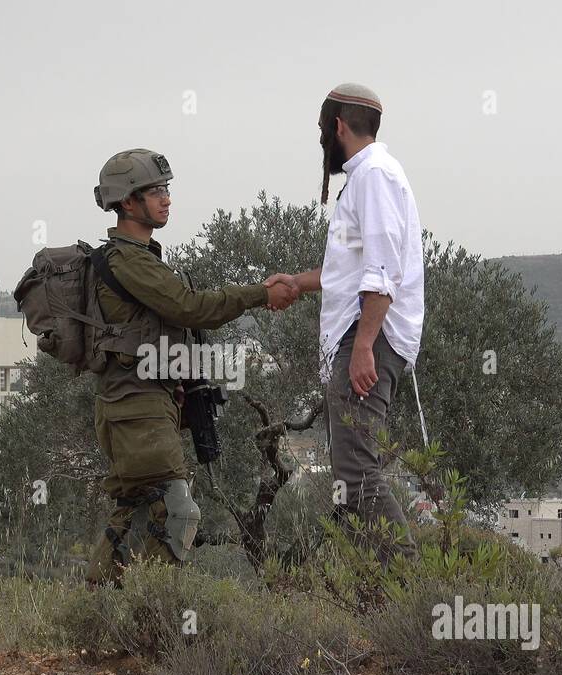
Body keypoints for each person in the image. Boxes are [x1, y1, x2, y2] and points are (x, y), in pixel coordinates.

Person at [85, 149, 298, 585]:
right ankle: (149, 612)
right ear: (128, 201)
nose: (166, 199)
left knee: (135, 511)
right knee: (180, 511)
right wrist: (259, 292)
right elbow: (191, 309)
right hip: (135, 407)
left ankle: (101, 612)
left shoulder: (140, 258)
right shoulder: (128, 261)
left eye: (167, 190)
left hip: (140, 405)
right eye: (155, 191)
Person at [266, 83, 425, 564]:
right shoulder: (370, 176)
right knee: (353, 473)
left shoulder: (373, 175)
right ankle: (383, 591)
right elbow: (351, 270)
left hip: (367, 338)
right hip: (366, 335)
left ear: (336, 126)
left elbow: (380, 271)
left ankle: (409, 585)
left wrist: (362, 349)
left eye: (322, 131)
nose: (322, 142)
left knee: (356, 475)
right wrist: (297, 282)